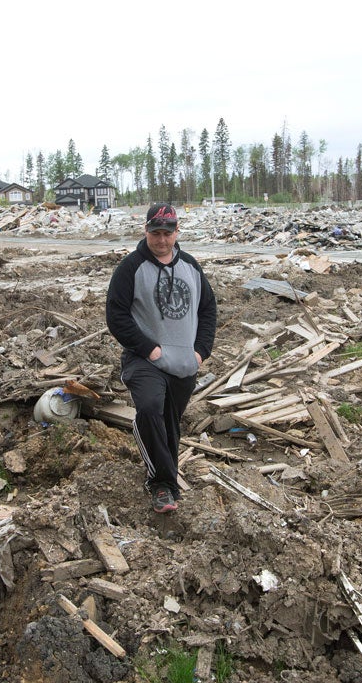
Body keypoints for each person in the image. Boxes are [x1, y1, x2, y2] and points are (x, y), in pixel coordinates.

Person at [106, 203, 217, 513]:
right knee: (150, 409)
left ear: (176, 233)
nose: (161, 240)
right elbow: (116, 315)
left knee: (169, 424)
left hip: (184, 364)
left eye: (167, 233)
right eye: (155, 233)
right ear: (146, 231)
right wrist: (148, 348)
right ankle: (161, 485)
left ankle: (166, 482)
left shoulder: (191, 267)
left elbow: (208, 309)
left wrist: (200, 351)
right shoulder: (130, 268)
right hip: (145, 360)